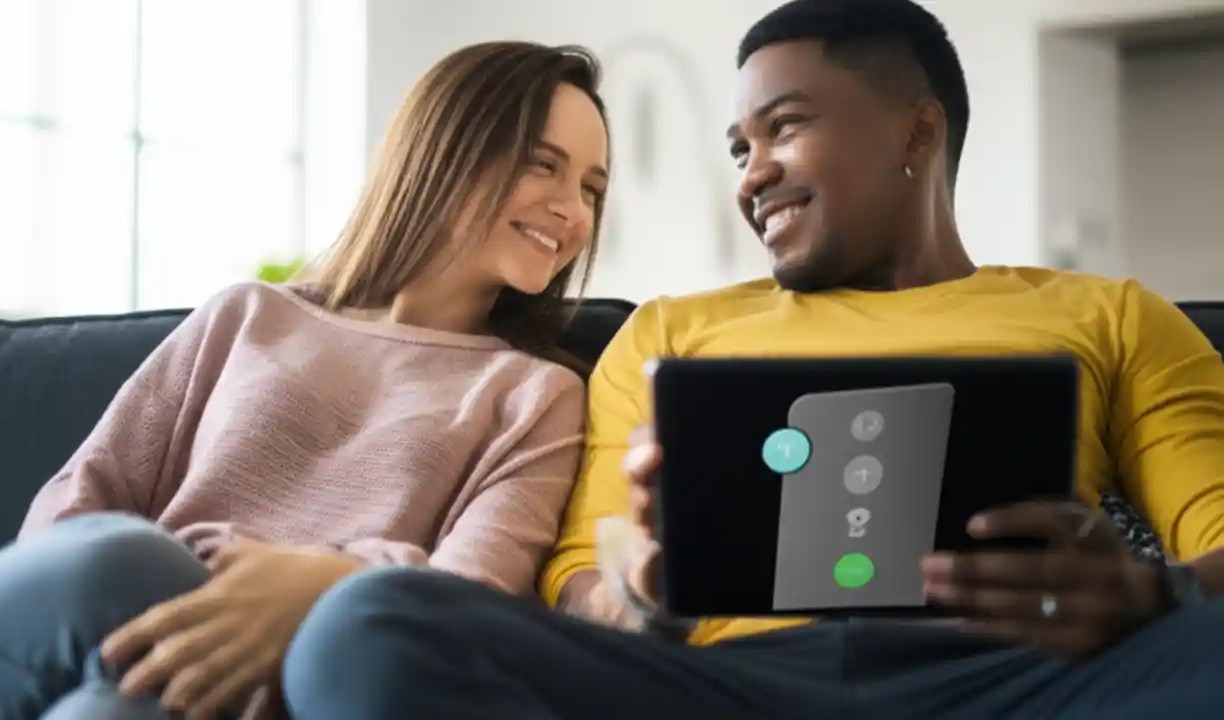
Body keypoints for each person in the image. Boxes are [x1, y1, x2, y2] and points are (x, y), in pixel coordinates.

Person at [276, 1, 1224, 718]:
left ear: (916, 131)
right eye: (739, 147)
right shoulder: (668, 334)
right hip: (721, 685)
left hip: (1017, 681)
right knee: (372, 628)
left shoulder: (1113, 317)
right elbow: (580, 578)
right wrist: (643, 582)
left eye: (786, 126)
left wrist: (1155, 591)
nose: (753, 172)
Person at [0, 40, 611, 720]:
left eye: (591, 188)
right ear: (449, 148)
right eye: (543, 166)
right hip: (123, 623)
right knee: (122, 579)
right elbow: (78, 503)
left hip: (292, 681)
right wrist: (201, 580)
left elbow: (475, 595)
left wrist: (320, 585)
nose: (573, 210)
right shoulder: (247, 317)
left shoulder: (538, 396)